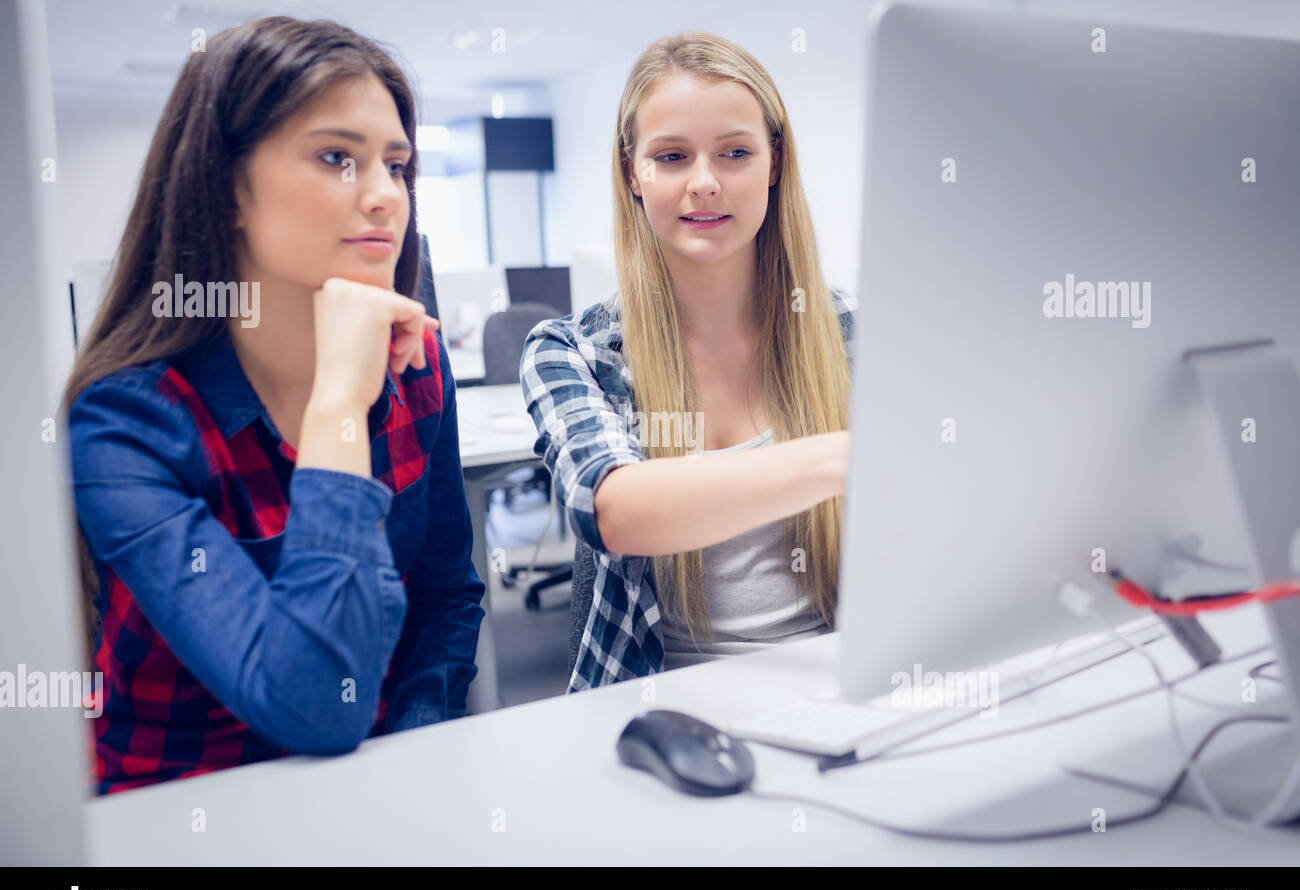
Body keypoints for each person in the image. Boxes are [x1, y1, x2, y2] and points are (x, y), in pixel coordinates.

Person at [64, 17, 484, 794]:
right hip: (176, 809)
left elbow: (445, 598)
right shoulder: (125, 424)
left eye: (397, 165)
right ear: (226, 188)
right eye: (337, 158)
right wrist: (339, 410)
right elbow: (314, 702)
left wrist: (418, 756)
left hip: (371, 785)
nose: (386, 196)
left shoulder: (418, 369)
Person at [521, 31, 853, 691]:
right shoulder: (570, 351)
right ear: (632, 174)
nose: (705, 183)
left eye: (735, 152)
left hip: (839, 689)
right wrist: (839, 457)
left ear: (774, 163)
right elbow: (615, 512)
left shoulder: (850, 332)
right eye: (671, 156)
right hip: (658, 710)